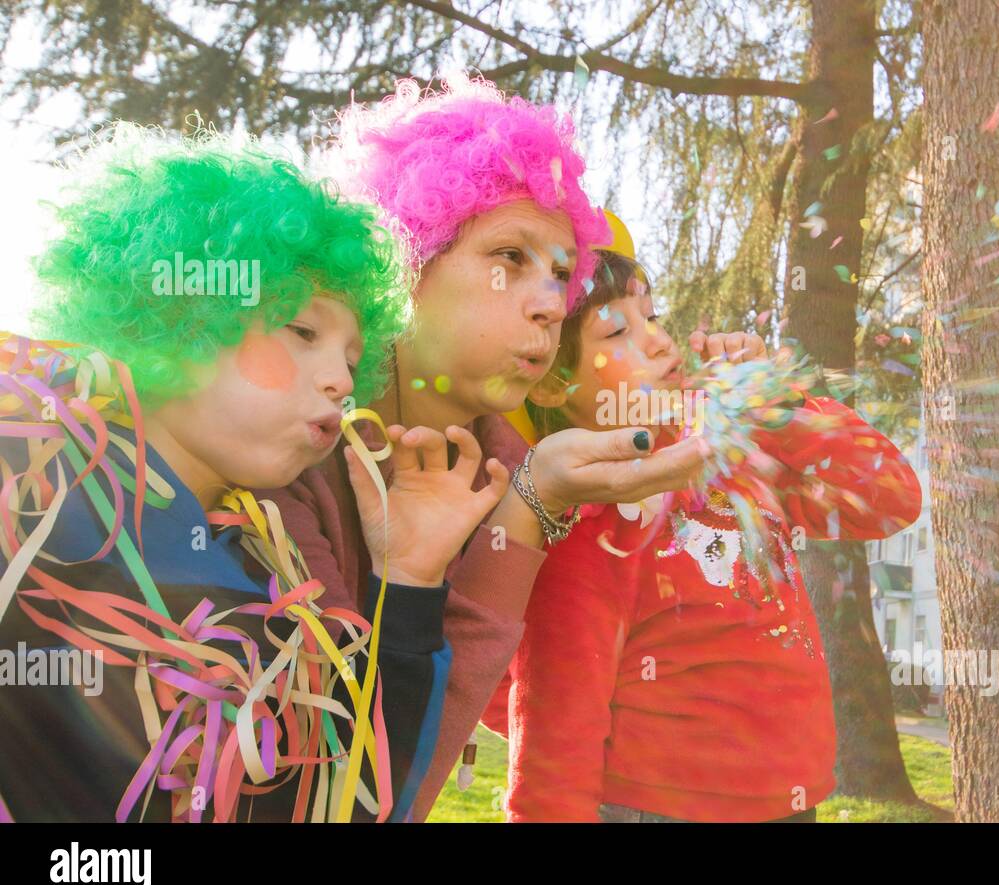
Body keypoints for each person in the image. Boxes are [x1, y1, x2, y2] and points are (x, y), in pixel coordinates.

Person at [0, 127, 504, 822]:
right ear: (180, 316)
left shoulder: (276, 590)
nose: (338, 381)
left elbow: (355, 805)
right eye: (302, 333)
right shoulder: (26, 490)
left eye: (352, 359)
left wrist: (410, 580)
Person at [264, 75, 708, 817]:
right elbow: (349, 791)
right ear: (402, 264)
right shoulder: (292, 455)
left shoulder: (516, 462)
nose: (548, 304)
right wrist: (527, 510)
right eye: (510, 257)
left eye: (562, 274)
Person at [484, 226, 925, 822]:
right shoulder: (585, 516)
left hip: (791, 801)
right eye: (619, 331)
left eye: (652, 317)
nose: (663, 343)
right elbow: (556, 722)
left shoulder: (735, 448)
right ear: (556, 379)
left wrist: (777, 406)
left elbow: (888, 497)